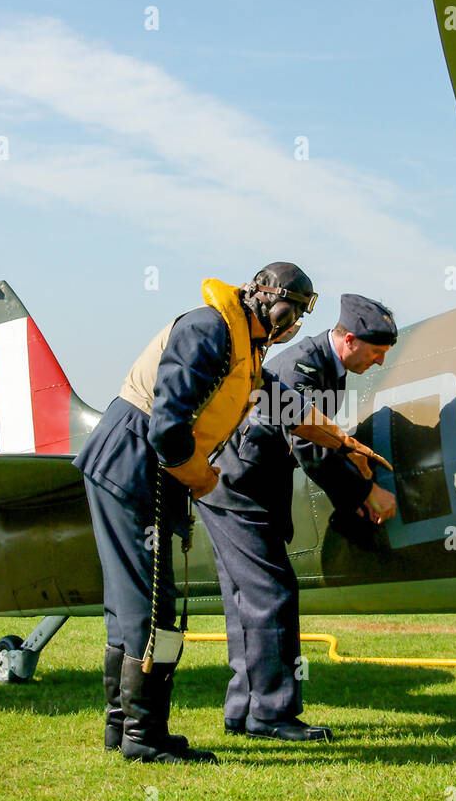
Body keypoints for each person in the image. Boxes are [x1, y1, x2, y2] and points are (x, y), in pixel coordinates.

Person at [73, 264, 390, 764]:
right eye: (294, 309)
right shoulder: (208, 330)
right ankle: (144, 737)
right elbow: (167, 426)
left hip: (140, 466)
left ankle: (124, 728)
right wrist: (199, 477)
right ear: (271, 301)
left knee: (132, 603)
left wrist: (341, 439)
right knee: (151, 606)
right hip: (134, 462)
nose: (295, 324)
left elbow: (278, 398)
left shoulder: (242, 346)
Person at [197, 293, 399, 742]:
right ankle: (272, 715)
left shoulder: (324, 366)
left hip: (236, 487)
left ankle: (245, 710)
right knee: (273, 594)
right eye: (376, 352)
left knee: (246, 600)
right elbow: (309, 443)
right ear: (349, 340)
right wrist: (366, 492)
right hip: (238, 489)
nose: (380, 362)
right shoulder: (304, 367)